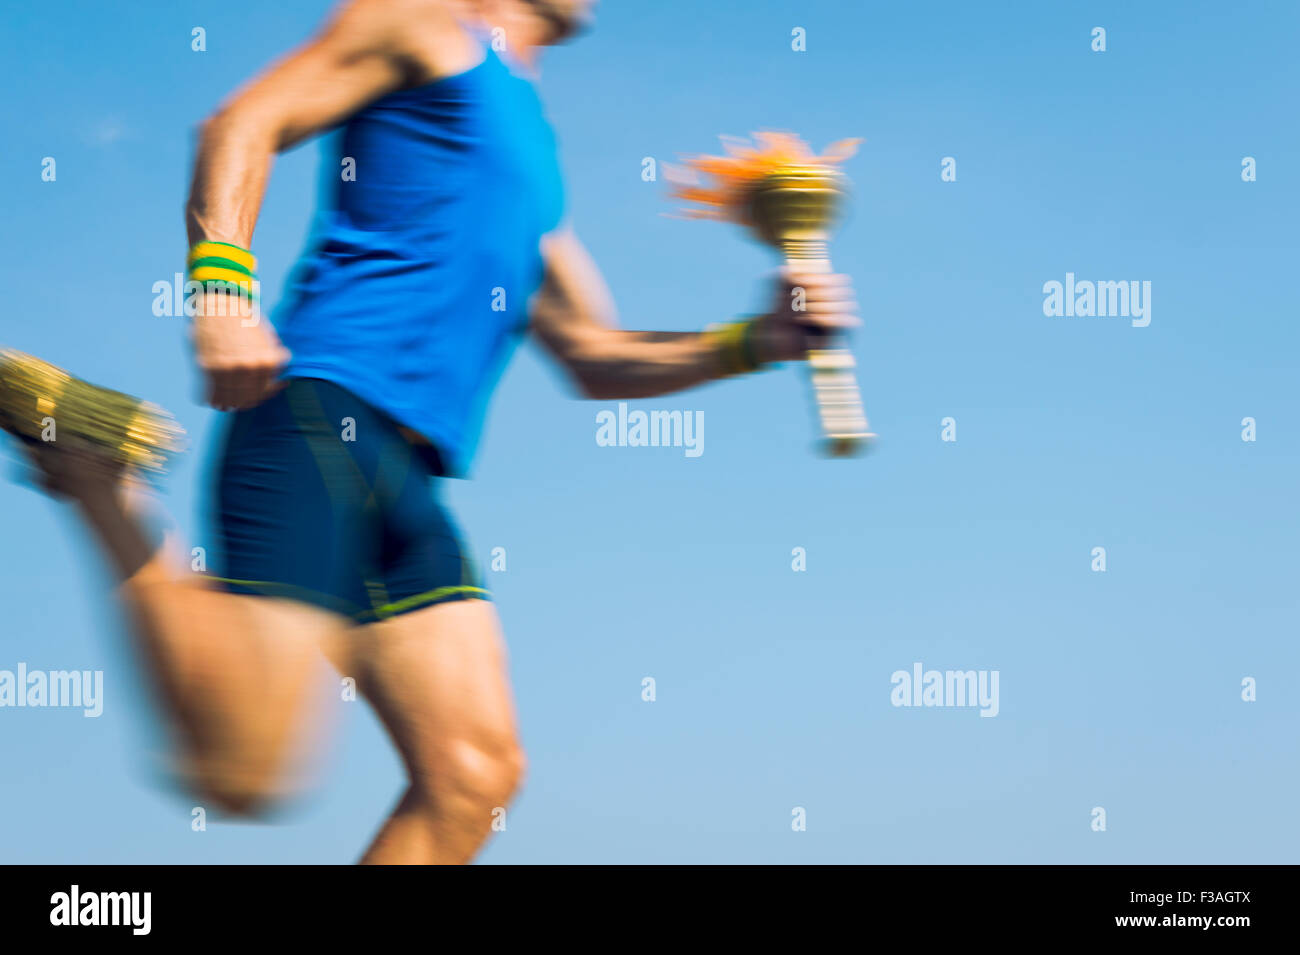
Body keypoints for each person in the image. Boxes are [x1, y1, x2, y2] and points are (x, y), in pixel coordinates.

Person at [0, 0, 858, 864]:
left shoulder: (532, 152)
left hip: (409, 475)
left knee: (473, 776)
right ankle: (99, 479)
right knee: (242, 774)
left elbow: (595, 353)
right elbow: (242, 121)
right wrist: (221, 287)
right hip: (320, 412)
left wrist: (756, 342)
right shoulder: (417, 25)